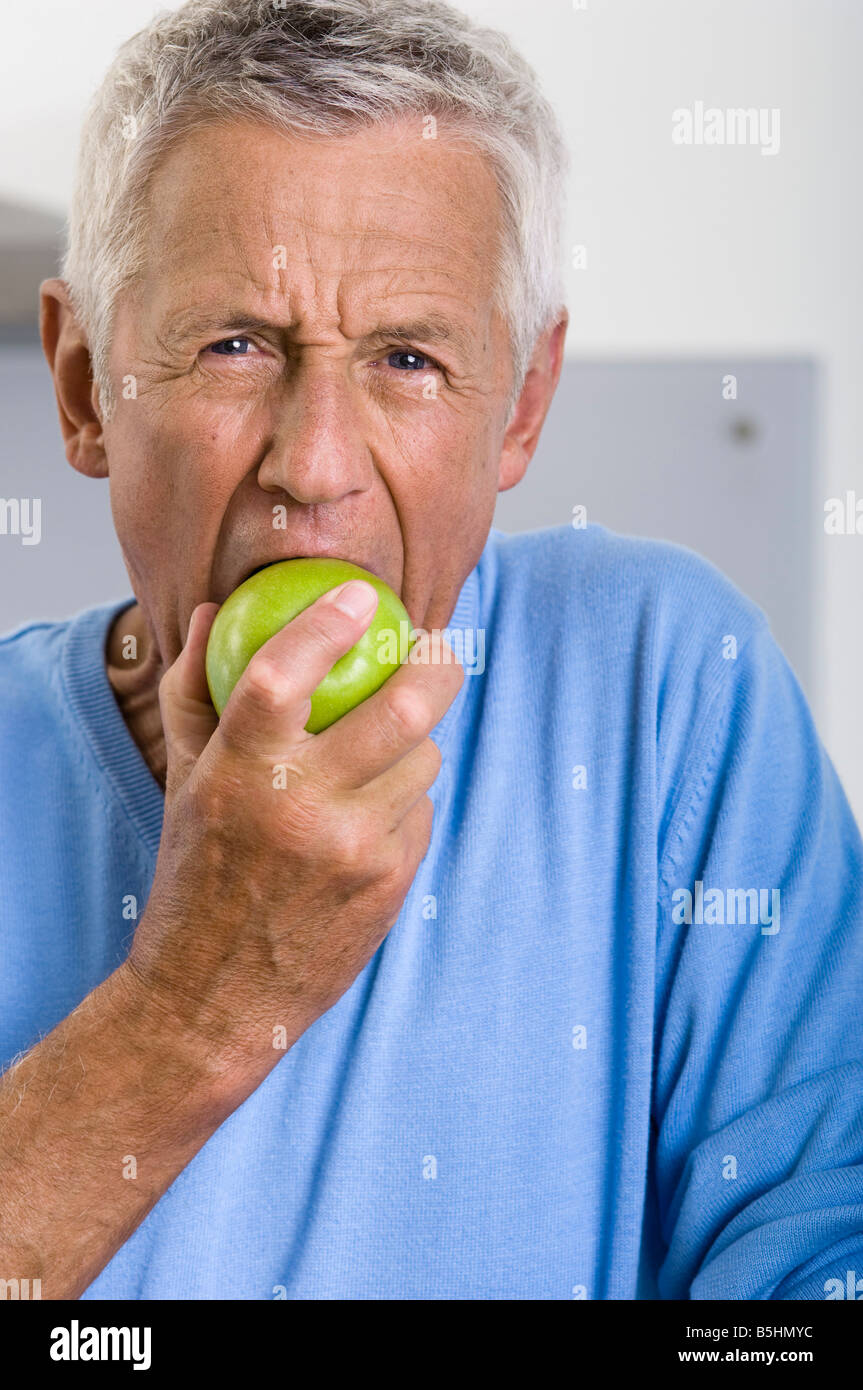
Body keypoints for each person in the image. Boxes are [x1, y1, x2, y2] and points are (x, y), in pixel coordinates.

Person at [1, 0, 861, 1301]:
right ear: (82, 385)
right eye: (235, 344)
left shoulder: (668, 698)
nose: (314, 467)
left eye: (408, 358)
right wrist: (193, 1004)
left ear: (520, 407)